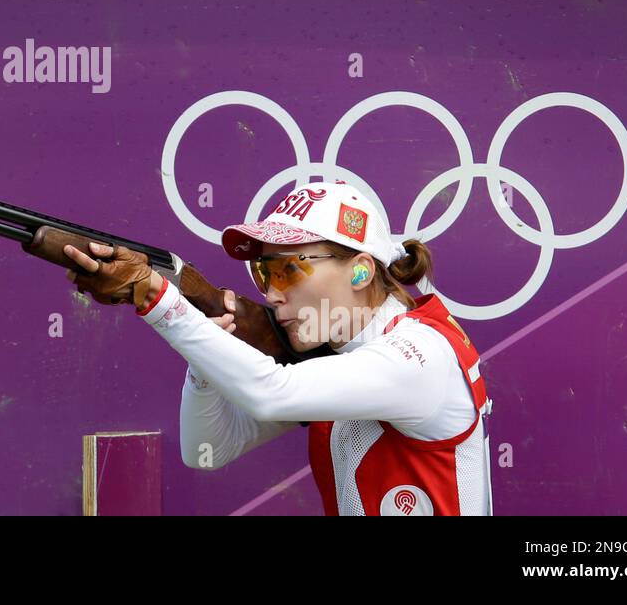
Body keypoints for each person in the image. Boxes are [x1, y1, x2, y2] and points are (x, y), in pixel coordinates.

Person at [63, 179, 494, 516]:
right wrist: (208, 361)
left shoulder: (417, 354)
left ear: (361, 272)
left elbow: (272, 393)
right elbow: (206, 450)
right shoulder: (342, 355)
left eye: (288, 270)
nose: (271, 295)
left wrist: (158, 300)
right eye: (265, 274)